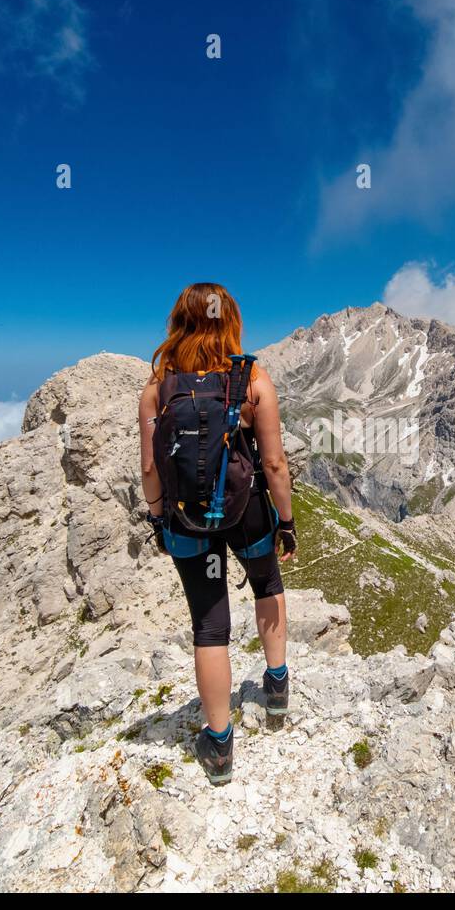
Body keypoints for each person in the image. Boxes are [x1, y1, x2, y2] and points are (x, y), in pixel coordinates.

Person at [138, 283, 297, 786]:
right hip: (246, 507)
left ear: (179, 323)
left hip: (186, 517)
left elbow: (149, 468)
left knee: (210, 627)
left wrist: (159, 518)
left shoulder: (157, 388)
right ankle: (276, 689)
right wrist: (286, 522)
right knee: (267, 585)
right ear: (230, 323)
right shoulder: (251, 379)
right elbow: (273, 462)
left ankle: (221, 746)